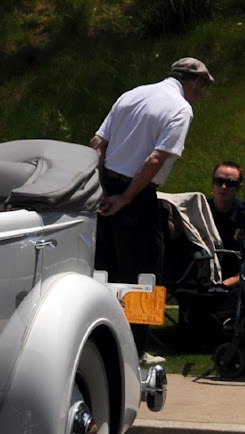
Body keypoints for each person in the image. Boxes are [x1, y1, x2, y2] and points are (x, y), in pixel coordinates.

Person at [89, 56, 214, 351]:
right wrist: (126, 198)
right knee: (145, 278)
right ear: (194, 82)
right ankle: (134, 351)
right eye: (202, 87)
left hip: (104, 188)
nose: (200, 94)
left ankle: (101, 345)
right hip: (137, 196)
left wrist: (100, 187)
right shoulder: (180, 108)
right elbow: (154, 160)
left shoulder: (132, 94)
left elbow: (97, 143)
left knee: (104, 272)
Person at [207, 160, 245, 250]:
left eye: (230, 183)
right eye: (219, 181)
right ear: (213, 184)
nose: (223, 187)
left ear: (238, 187)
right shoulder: (199, 211)